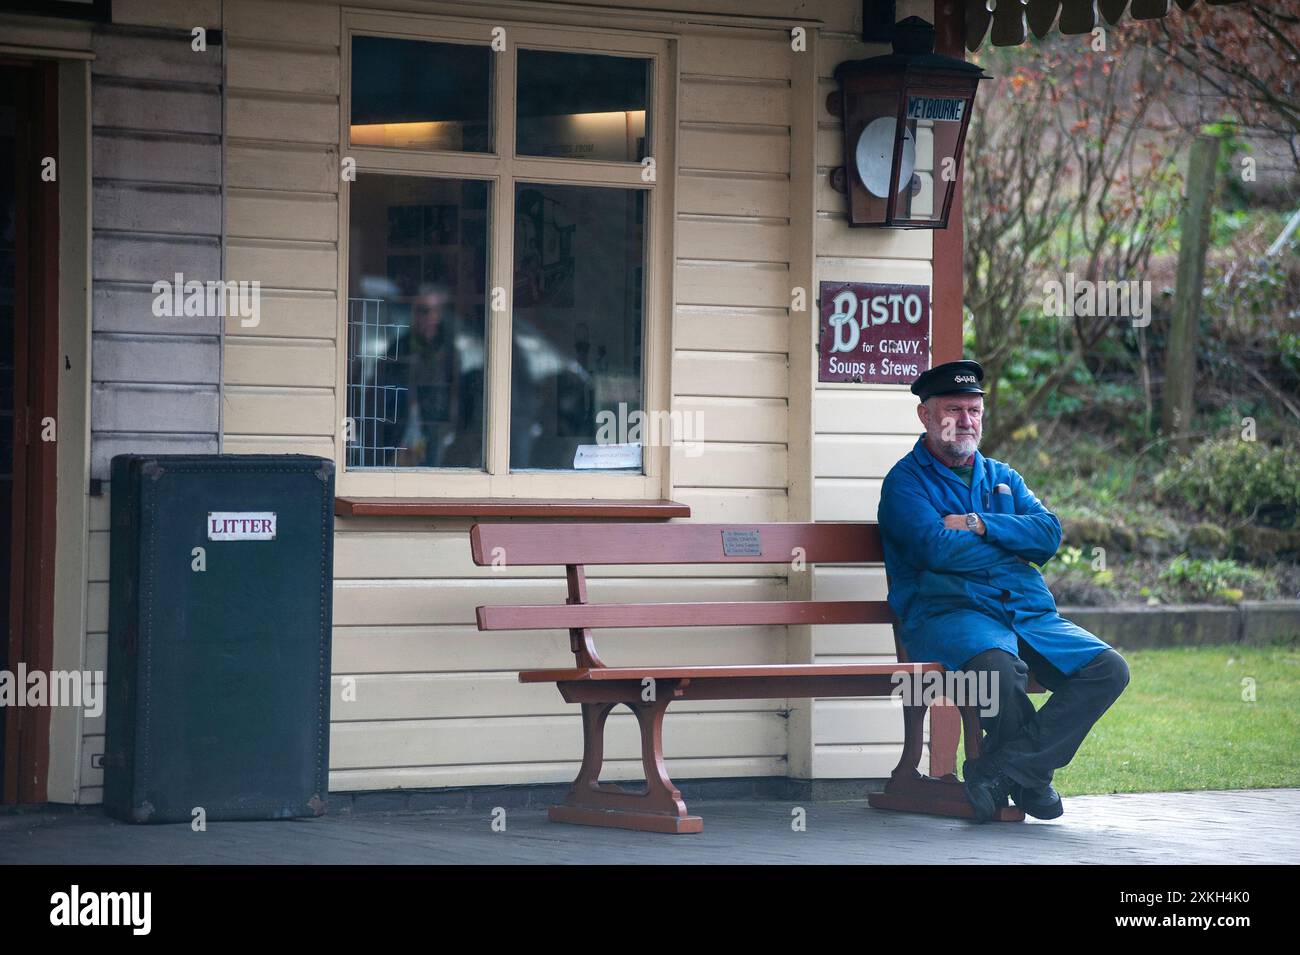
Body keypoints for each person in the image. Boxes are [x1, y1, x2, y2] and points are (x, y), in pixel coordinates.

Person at [877, 359, 1130, 823]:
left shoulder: (1002, 477)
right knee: (999, 671)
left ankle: (1001, 771)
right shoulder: (904, 483)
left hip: (1027, 614)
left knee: (1108, 669)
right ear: (926, 416)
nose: (966, 420)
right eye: (954, 409)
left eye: (974, 410)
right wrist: (1011, 546)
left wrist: (980, 525)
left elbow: (1049, 535)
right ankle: (1029, 779)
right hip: (951, 616)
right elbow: (936, 551)